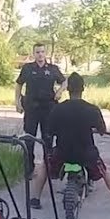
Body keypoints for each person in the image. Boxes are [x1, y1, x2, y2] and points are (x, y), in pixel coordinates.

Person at [29, 72, 110, 215]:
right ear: (83, 89)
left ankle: (35, 199)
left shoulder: (57, 109)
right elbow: (101, 130)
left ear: (68, 90)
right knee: (105, 172)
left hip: (63, 152)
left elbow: (49, 132)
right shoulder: (92, 109)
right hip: (87, 153)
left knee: (44, 164)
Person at [14, 42, 66, 177]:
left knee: (47, 139)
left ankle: (49, 169)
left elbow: (65, 81)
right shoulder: (27, 68)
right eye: (37, 52)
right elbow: (19, 84)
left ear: (46, 53)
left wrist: (60, 91)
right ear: (33, 54)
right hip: (31, 107)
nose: (40, 54)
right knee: (29, 138)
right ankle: (28, 169)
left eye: (42, 52)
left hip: (48, 108)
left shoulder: (53, 69)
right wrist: (17, 102)